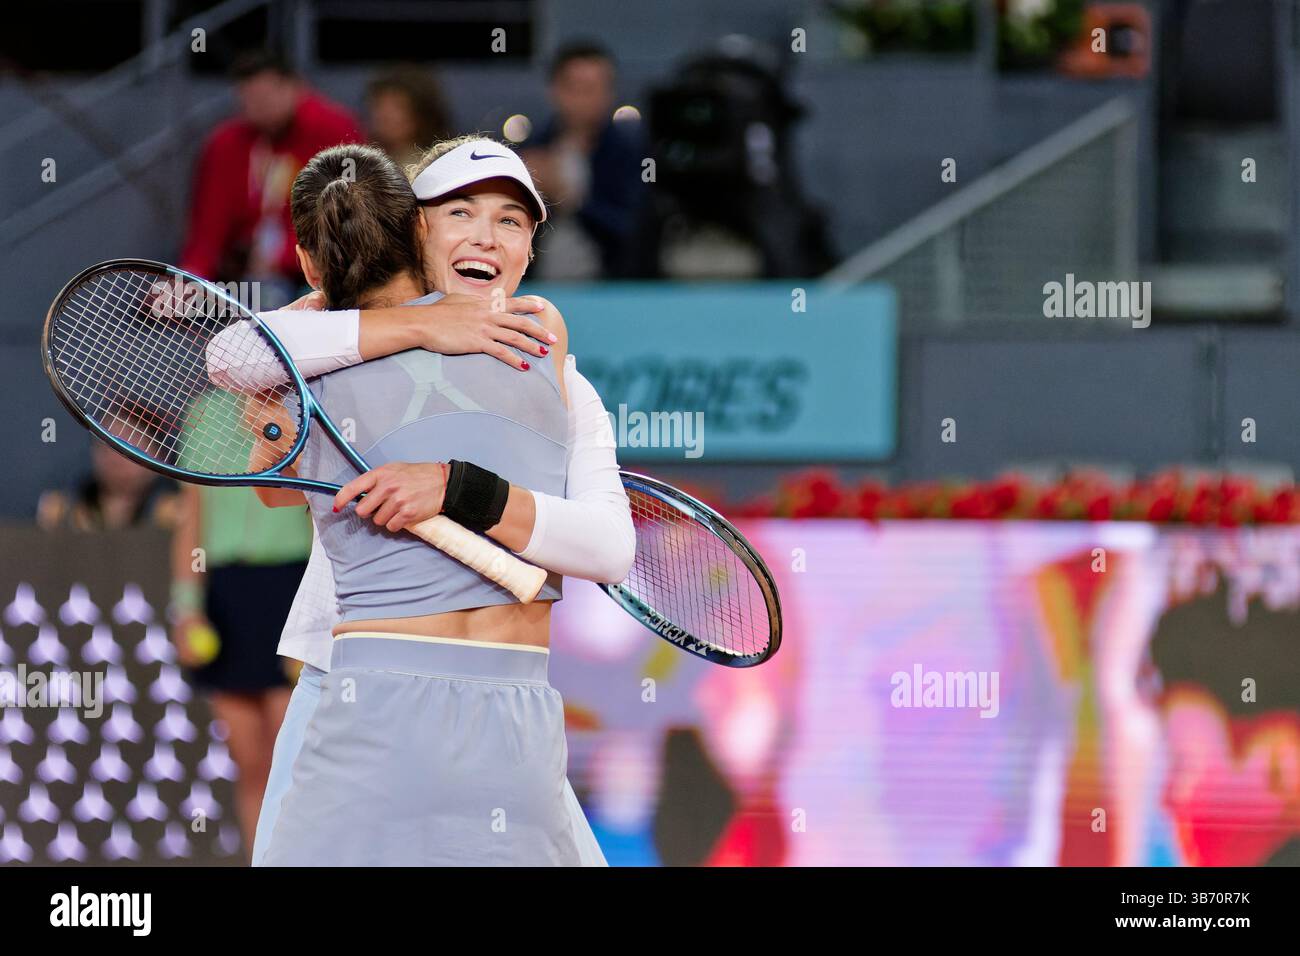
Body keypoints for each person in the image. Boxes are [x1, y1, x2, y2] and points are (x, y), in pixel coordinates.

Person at [245, 141, 629, 864]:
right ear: (412, 231)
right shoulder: (325, 341)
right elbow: (246, 388)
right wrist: (416, 324)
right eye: (461, 211)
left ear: (529, 249)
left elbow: (609, 549)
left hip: (509, 713)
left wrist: (460, 488)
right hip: (351, 688)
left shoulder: (560, 375)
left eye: (512, 221)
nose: (487, 235)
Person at [179, 50, 363, 306]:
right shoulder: (224, 144)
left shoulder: (335, 130)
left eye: (266, 97)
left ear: (294, 88)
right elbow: (208, 228)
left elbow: (349, 217)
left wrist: (285, 255)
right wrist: (190, 278)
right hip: (245, 277)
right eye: (249, 99)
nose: (258, 107)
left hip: (320, 271)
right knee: (180, 303)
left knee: (278, 299)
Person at [519, 41, 644, 279]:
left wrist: (571, 198)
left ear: (610, 93)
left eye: (593, 88)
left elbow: (635, 232)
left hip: (615, 287)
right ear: (554, 90)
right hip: (538, 288)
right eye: (574, 88)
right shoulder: (530, 152)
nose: (583, 99)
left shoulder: (631, 154)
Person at [365, 64, 455, 169]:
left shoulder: (439, 166)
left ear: (421, 114)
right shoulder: (361, 163)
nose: (384, 116)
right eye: (378, 105)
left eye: (398, 106)